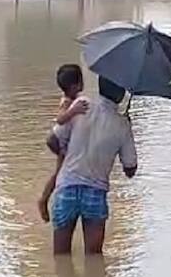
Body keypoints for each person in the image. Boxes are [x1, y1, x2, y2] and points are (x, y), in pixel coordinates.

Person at [45, 76, 138, 255]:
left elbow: (52, 140)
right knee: (94, 257)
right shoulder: (122, 124)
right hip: (96, 191)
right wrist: (127, 127)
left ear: (101, 86)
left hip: (67, 187)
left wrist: (66, 157)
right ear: (121, 94)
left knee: (61, 256)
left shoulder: (81, 105)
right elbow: (130, 169)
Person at [37, 64, 90, 223]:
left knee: (60, 172)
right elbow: (60, 119)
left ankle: (46, 200)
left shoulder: (73, 99)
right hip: (57, 141)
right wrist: (74, 111)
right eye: (81, 81)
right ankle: (44, 200)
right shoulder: (67, 102)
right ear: (76, 85)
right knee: (59, 173)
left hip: (58, 140)